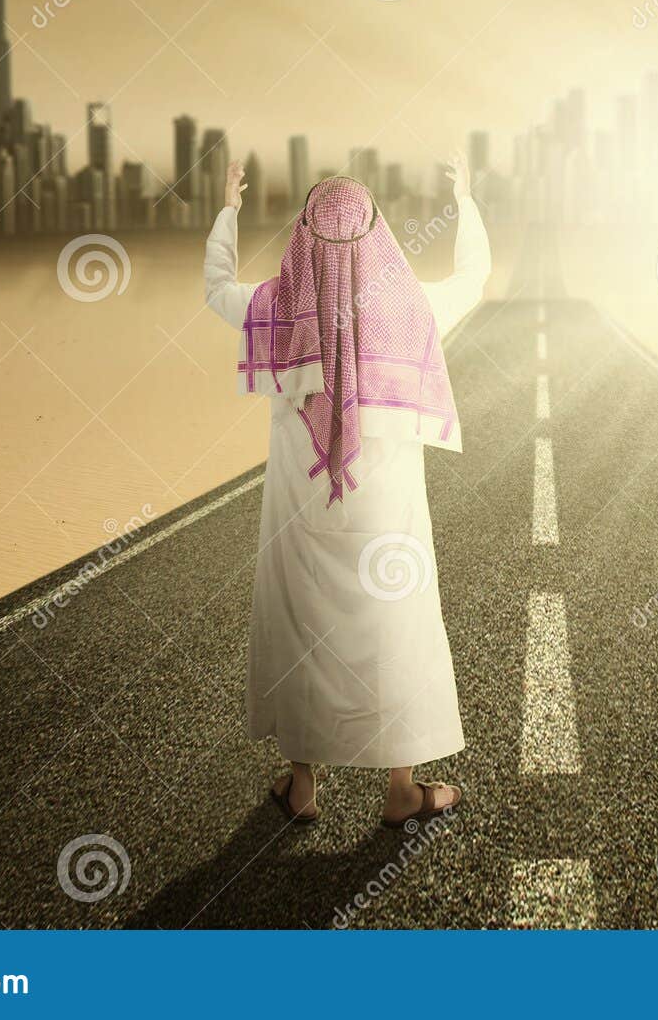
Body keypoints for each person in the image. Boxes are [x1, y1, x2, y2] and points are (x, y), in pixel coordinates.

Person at [203, 153, 491, 828]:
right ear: (377, 238)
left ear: (302, 236)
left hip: (300, 519)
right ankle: (401, 787)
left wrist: (229, 208)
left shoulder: (272, 308)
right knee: (398, 629)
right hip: (386, 518)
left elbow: (215, 283)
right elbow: (473, 277)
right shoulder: (412, 307)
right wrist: (466, 201)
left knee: (301, 629)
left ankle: (302, 784)